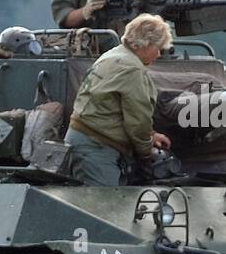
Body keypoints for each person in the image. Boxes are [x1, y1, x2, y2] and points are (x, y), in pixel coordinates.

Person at [65, 13, 172, 185]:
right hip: (97, 147)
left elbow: (113, 105)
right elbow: (138, 120)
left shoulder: (113, 55)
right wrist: (146, 151)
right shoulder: (132, 69)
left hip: (85, 141)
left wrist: (151, 135)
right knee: (104, 207)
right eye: (158, 48)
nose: (159, 54)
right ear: (145, 45)